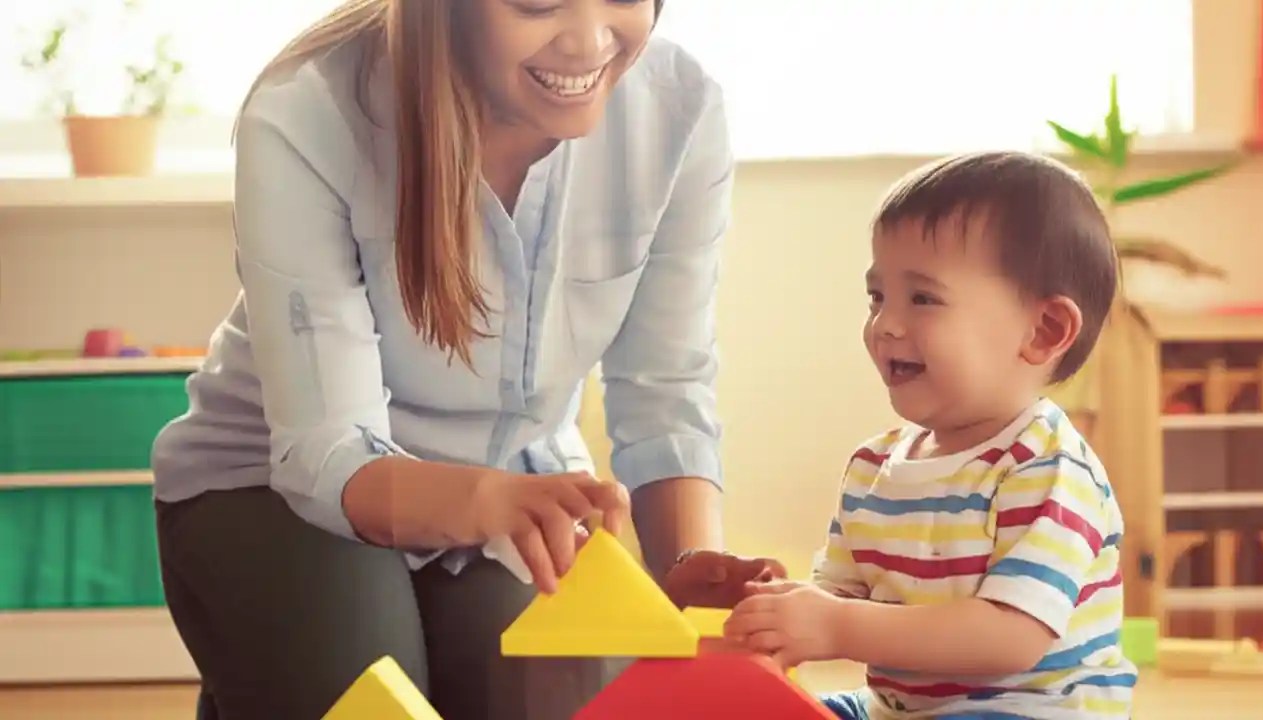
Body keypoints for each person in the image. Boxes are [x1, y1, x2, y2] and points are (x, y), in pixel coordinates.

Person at [149, 1, 735, 718]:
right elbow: (326, 451)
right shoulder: (308, 111)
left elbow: (665, 390)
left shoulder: (680, 110)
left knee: (560, 696)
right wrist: (487, 501)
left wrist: (687, 570)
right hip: (275, 488)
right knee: (367, 696)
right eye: (537, 1)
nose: (589, 40)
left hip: (514, 496)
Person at [724, 151, 1137, 719]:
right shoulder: (873, 467)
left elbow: (1010, 638)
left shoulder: (1047, 467)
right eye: (877, 297)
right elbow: (841, 597)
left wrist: (837, 625)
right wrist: (784, 606)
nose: (885, 324)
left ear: (1043, 331)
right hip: (895, 708)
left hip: (1027, 709)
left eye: (922, 298)